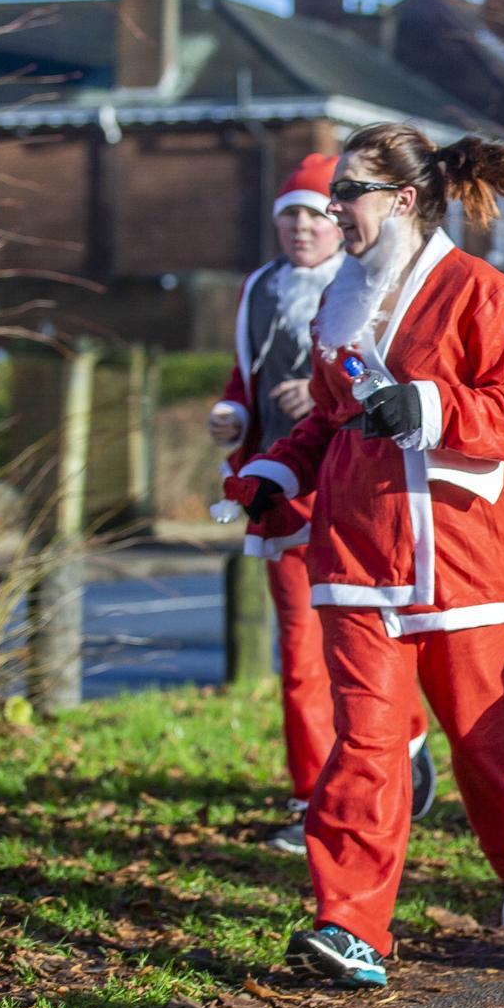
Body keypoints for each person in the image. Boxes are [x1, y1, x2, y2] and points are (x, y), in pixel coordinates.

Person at [222, 123, 504, 989]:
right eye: (332, 196)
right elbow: (327, 417)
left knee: (487, 744)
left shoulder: (482, 292)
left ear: (402, 200)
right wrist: (271, 470)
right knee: (365, 745)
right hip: (356, 557)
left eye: (348, 196)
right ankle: (351, 923)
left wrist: (429, 408)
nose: (334, 211)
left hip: (461, 565)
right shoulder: (339, 297)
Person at [210, 154, 435, 855]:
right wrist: (231, 414)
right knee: (300, 656)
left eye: (315, 212)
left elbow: (399, 378)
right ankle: (312, 793)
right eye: (290, 215)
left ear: (341, 222)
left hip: (355, 497)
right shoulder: (260, 289)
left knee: (369, 653)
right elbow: (244, 375)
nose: (303, 226)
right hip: (282, 492)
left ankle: (408, 739)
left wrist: (327, 391)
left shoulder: (373, 285)